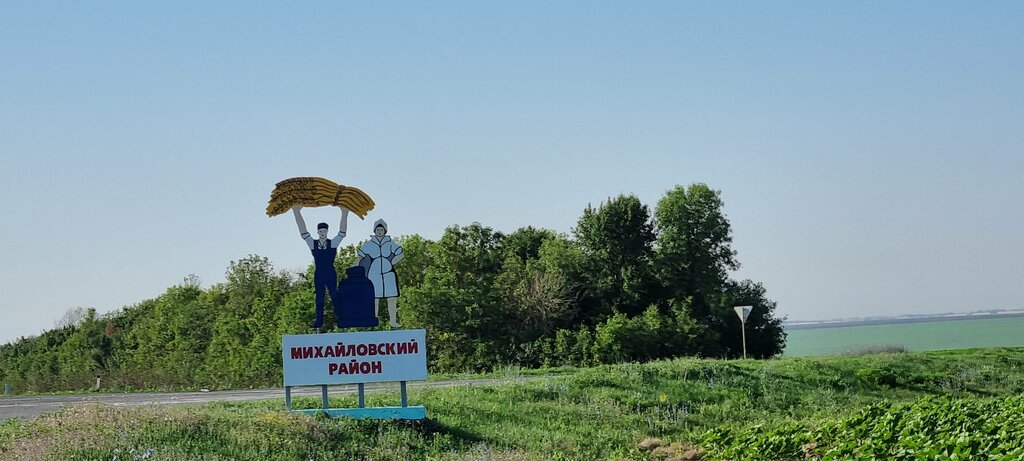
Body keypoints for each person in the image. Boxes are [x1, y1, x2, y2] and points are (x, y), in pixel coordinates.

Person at [292, 205, 349, 329]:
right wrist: (296, 212)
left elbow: (342, 233)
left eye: (324, 231)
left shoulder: (332, 243)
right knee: (319, 297)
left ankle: (341, 317)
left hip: (330, 272)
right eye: (321, 231)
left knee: (334, 294)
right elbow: (303, 232)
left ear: (327, 231)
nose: (323, 233)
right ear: (317, 232)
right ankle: (319, 320)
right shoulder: (313, 244)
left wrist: (344, 213)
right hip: (319, 273)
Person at [357, 219, 403, 328]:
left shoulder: (390, 243)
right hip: (374, 272)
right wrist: (354, 269)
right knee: (374, 298)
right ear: (374, 230)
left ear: (385, 231)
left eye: (381, 229)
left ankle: (393, 321)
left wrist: (391, 262)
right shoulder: (369, 244)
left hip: (388, 273)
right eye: (377, 229)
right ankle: (373, 320)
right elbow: (360, 257)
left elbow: (400, 254)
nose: (379, 231)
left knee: (391, 298)